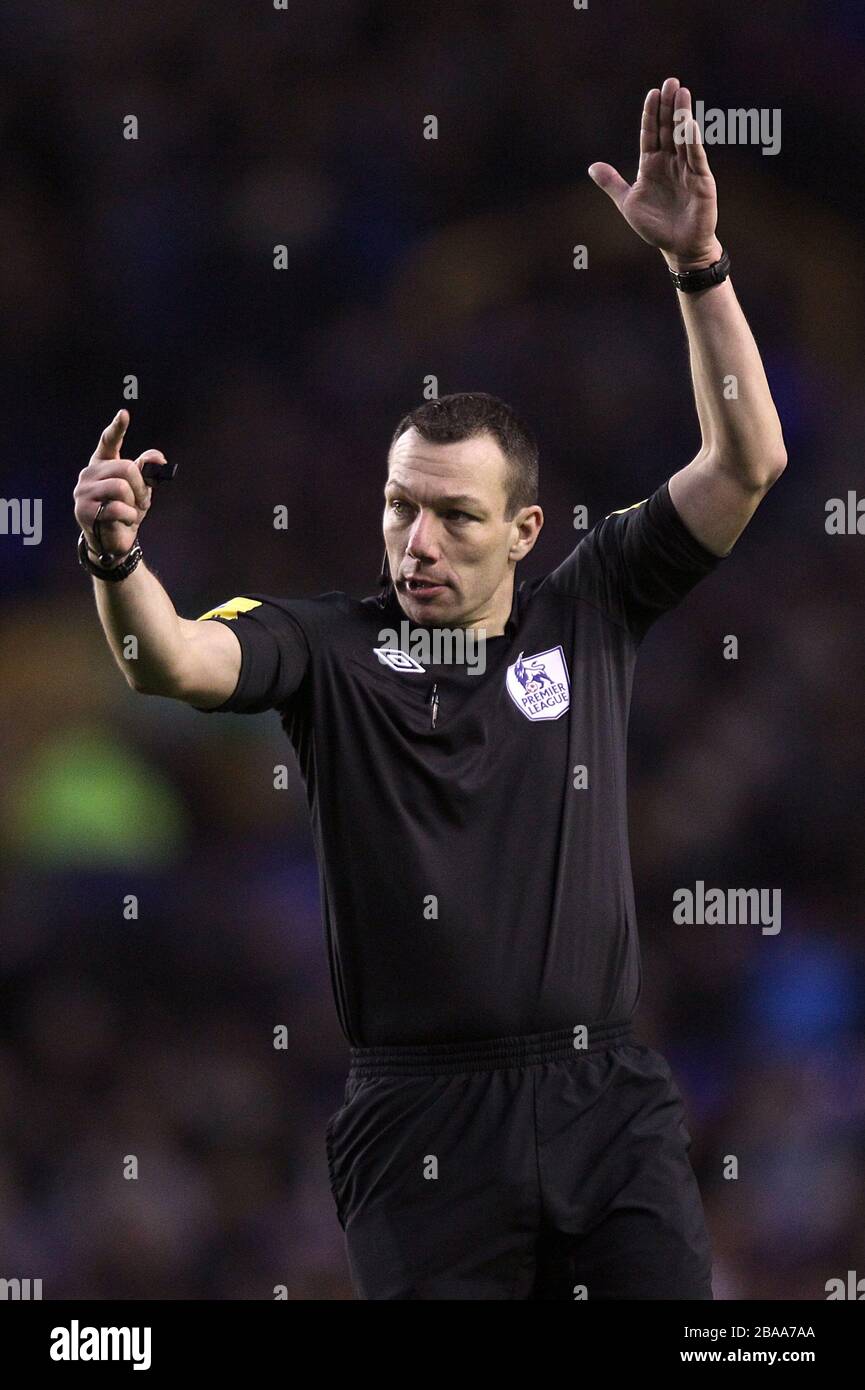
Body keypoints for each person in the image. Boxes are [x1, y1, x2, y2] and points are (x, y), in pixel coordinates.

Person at [73, 78, 786, 1299]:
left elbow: (748, 461)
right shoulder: (324, 644)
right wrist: (115, 559)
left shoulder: (591, 602)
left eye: (454, 516)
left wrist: (700, 265)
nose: (416, 541)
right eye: (401, 507)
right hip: (423, 1124)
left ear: (523, 531)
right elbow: (171, 659)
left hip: (603, 1093)